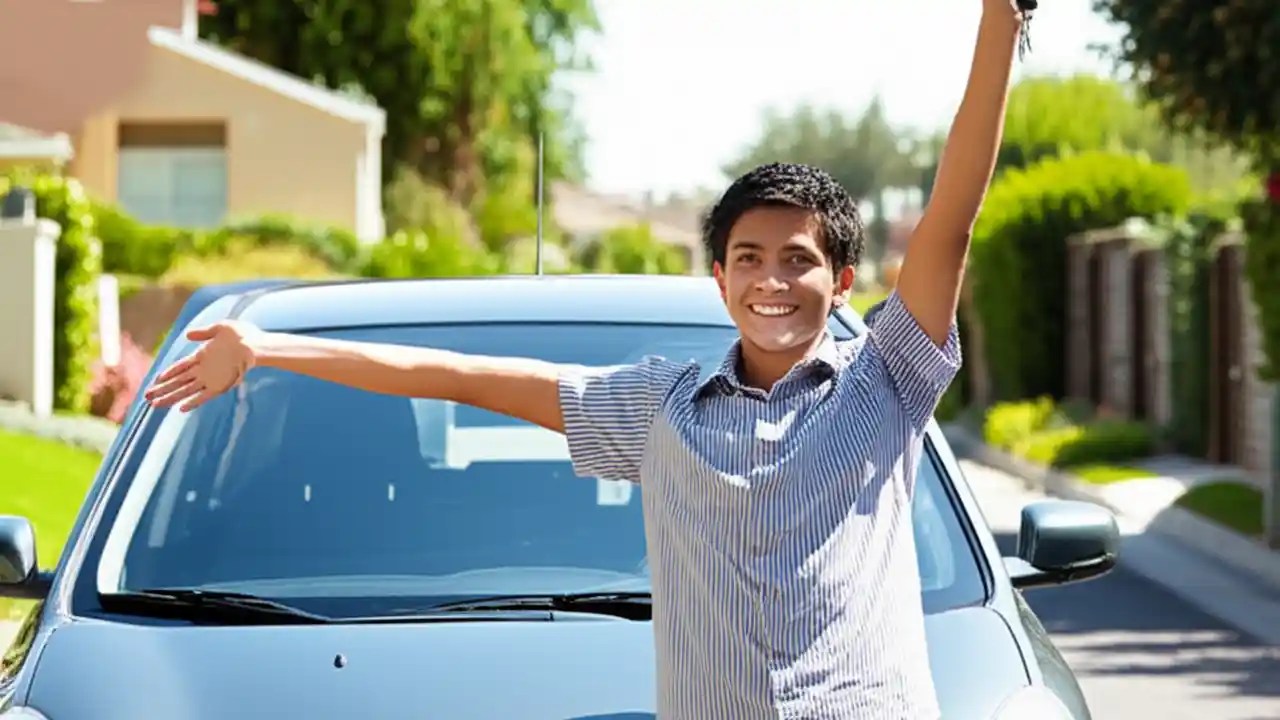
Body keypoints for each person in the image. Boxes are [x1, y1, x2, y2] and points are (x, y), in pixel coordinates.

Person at [144, 1, 1027, 717]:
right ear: (718, 277)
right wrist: (265, 346)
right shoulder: (659, 410)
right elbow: (459, 377)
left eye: (798, 259)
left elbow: (950, 216)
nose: (772, 281)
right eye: (750, 259)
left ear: (842, 281)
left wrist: (999, 20)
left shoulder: (883, 384)